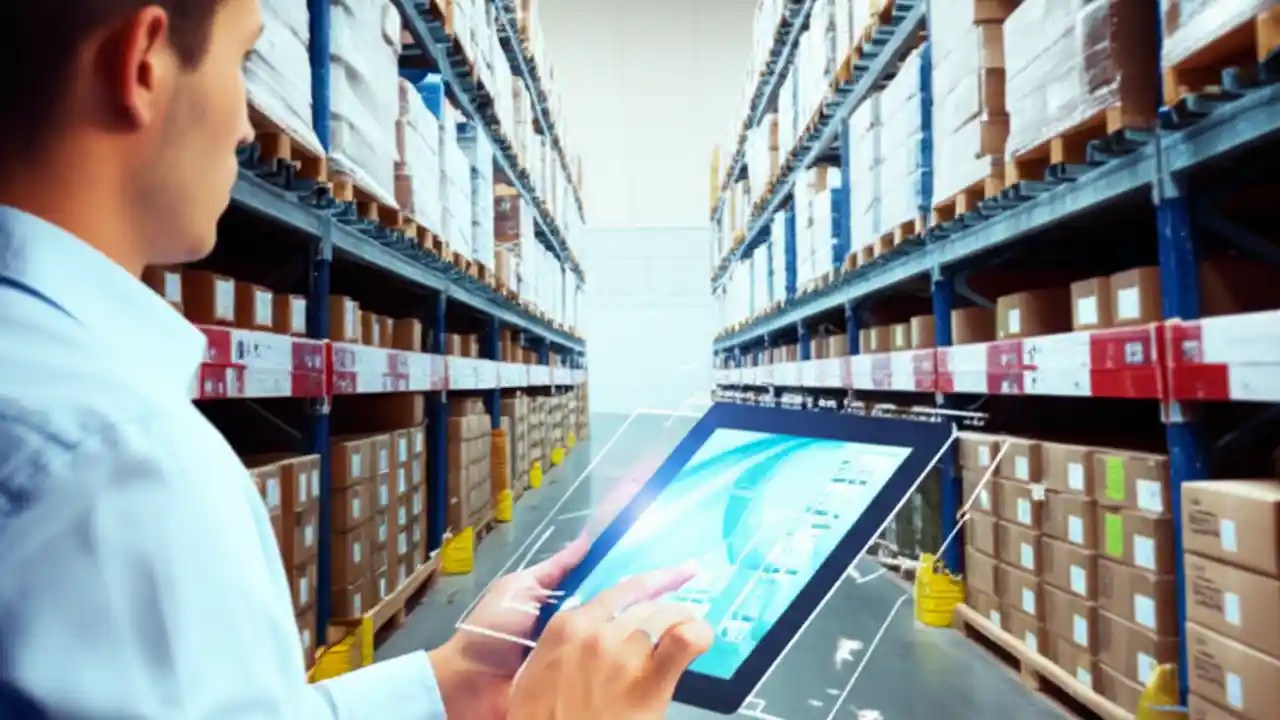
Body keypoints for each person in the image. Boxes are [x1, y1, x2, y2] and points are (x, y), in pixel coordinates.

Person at [0, 0, 712, 717]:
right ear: (143, 65)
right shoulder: (112, 463)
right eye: (243, 62)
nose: (249, 123)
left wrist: (448, 676)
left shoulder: (53, 387)